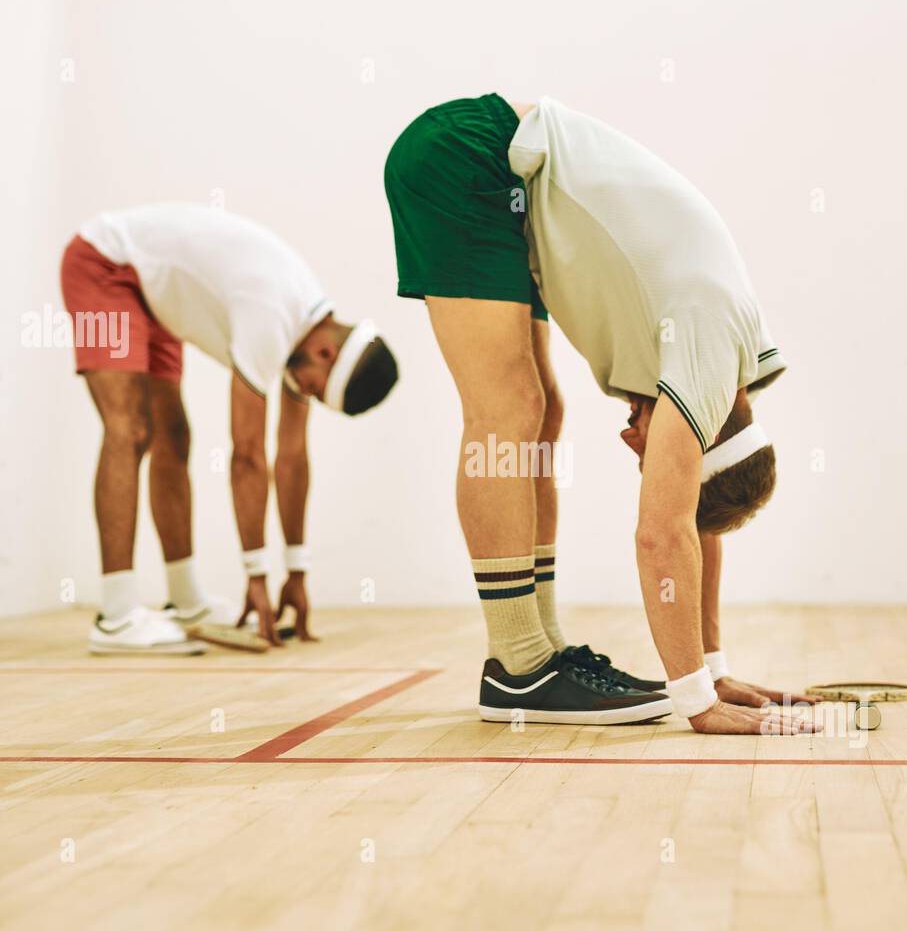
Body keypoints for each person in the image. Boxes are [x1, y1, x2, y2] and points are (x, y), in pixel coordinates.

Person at [385, 94, 816, 732]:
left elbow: (696, 523)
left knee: (544, 409)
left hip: (511, 190)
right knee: (508, 407)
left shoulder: (733, 376)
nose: (628, 440)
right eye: (648, 456)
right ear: (705, 440)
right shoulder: (706, 356)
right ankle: (520, 667)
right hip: (473, 154)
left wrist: (712, 665)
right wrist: (696, 701)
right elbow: (662, 533)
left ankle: (542, 652)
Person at [61, 204, 398, 654]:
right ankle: (117, 617)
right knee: (130, 429)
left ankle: (185, 602)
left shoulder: (307, 332)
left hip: (150, 296)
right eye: (318, 392)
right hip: (105, 264)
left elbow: (292, 456)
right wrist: (256, 576)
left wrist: (296, 572)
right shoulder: (273, 317)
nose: (307, 396)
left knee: (174, 437)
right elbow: (247, 455)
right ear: (326, 356)